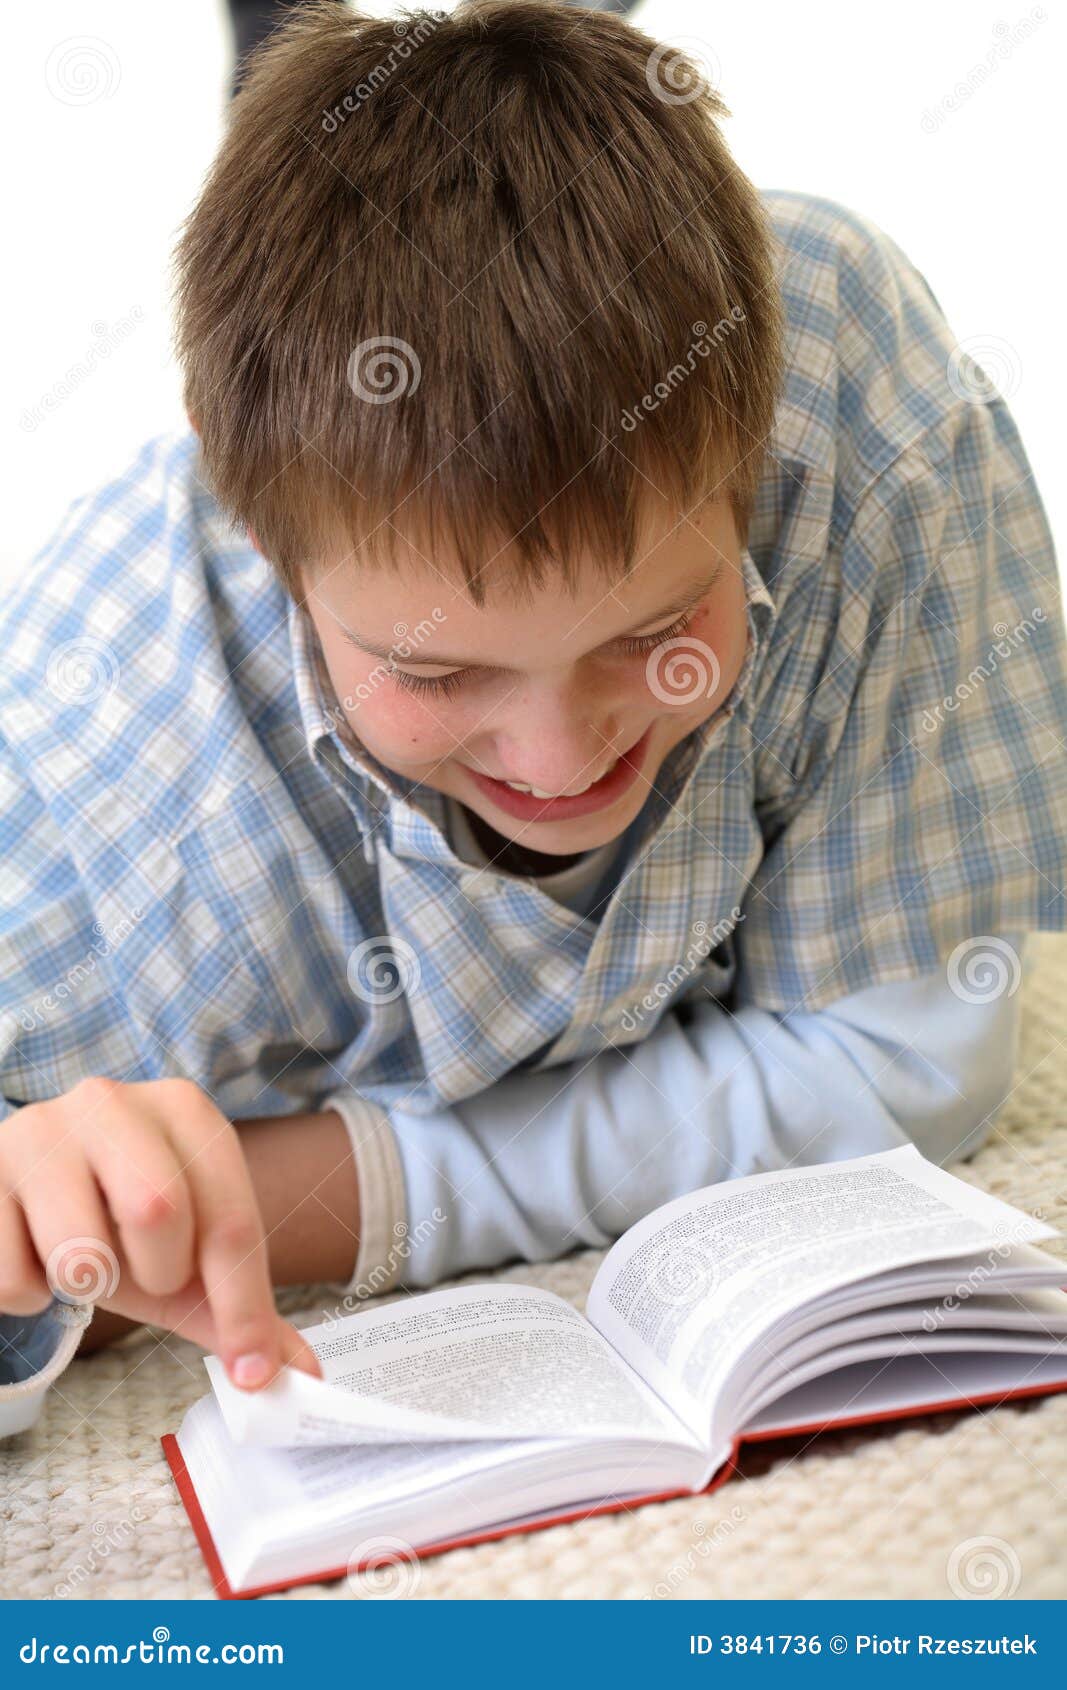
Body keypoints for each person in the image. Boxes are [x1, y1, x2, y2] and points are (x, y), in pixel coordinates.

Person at [2, 0, 1064, 1435]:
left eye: (656, 631)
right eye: (439, 673)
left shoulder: (857, 395)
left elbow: (912, 1057)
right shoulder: (104, 743)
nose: (562, 762)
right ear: (260, 541)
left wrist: (287, 1187)